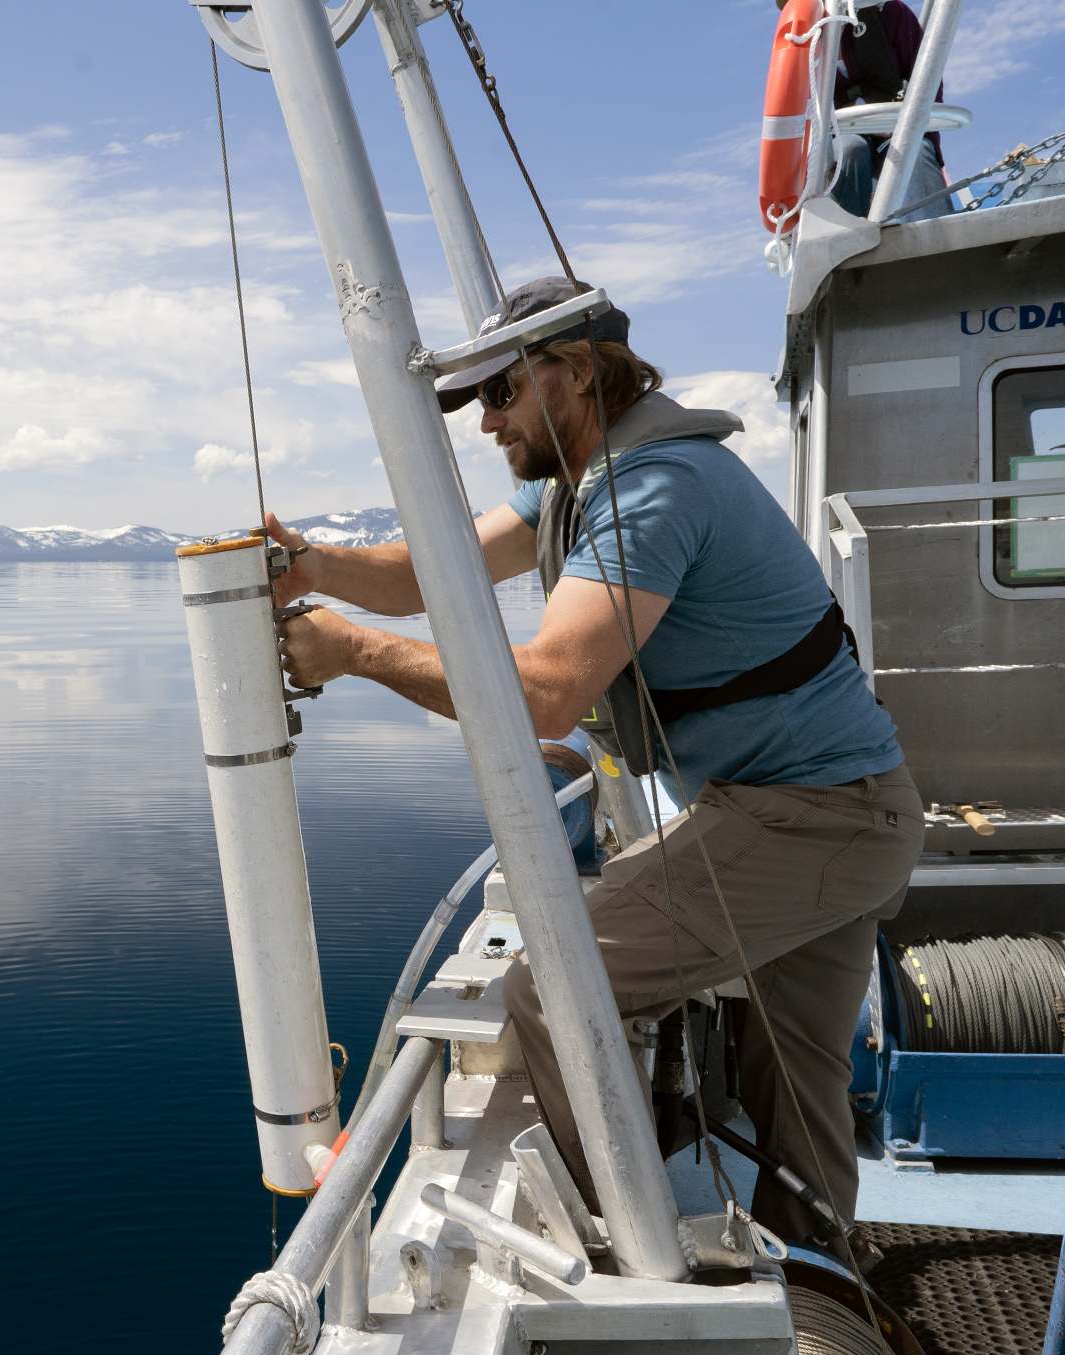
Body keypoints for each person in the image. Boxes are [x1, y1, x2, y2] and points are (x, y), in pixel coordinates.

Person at [266, 277, 925, 1251]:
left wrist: (351, 652)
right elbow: (424, 573)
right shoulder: (575, 485)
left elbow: (546, 692)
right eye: (472, 401)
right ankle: (822, 1279)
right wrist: (315, 565)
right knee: (786, 1082)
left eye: (498, 394)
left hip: (809, 817)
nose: (483, 423)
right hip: (832, 807)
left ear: (573, 372)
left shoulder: (652, 489)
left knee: (559, 986)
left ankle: (624, 1244)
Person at [817, 0, 955, 222]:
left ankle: (941, 245)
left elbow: (927, 84)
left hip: (895, 128)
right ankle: (846, 241)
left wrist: (913, 132)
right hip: (841, 138)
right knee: (851, 149)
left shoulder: (891, 13)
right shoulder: (802, 40)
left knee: (914, 152)